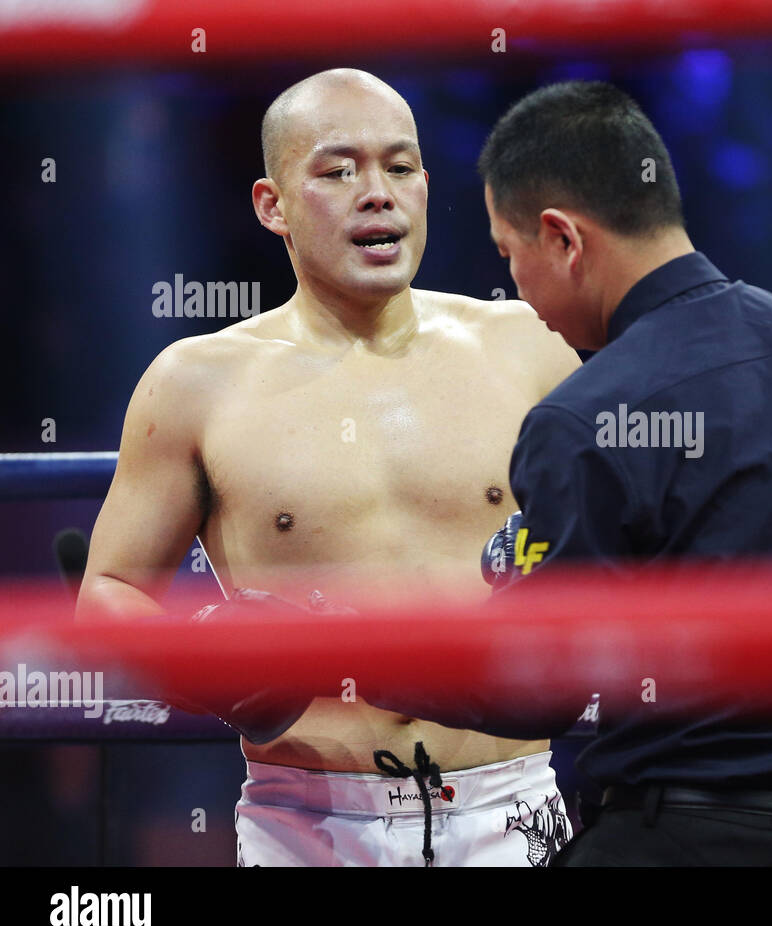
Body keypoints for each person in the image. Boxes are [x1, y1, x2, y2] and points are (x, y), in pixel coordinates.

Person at [75, 69, 580, 867]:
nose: (376, 193)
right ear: (272, 204)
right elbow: (109, 595)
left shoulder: (532, 347)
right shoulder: (195, 382)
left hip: (510, 806)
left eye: (400, 166)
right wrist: (210, 658)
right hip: (307, 824)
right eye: (338, 171)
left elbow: (635, 544)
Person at [477, 81, 772, 865]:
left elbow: (538, 691)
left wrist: (365, 655)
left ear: (562, 238)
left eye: (507, 255)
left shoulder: (586, 415)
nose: (517, 290)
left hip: (684, 843)